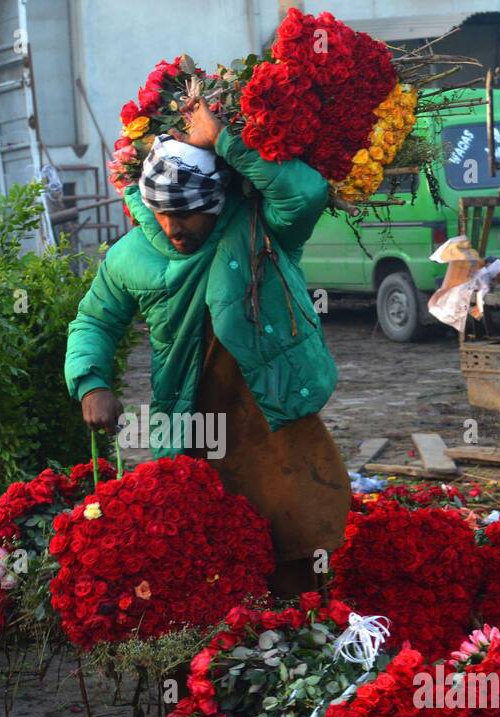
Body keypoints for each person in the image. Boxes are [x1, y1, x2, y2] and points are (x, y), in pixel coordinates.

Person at [64, 98, 350, 598]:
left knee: (301, 531)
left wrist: (224, 140)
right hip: (190, 420)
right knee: (201, 548)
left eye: (187, 215)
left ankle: (300, 628)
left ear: (215, 203)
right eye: (162, 213)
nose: (174, 228)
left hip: (273, 411)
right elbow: (94, 320)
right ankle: (227, 639)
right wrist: (91, 382)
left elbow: (306, 193)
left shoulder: (260, 226)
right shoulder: (129, 257)